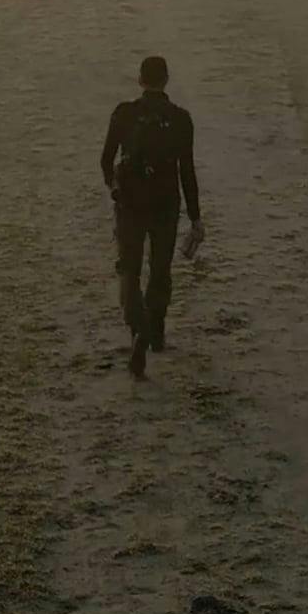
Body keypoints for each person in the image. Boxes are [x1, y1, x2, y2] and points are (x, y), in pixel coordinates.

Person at [101, 55, 204, 378]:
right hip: (165, 202)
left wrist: (115, 187)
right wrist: (196, 217)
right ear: (167, 80)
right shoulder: (181, 119)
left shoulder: (124, 113)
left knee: (129, 270)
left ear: (140, 80)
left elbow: (105, 160)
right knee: (160, 269)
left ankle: (138, 329)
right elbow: (186, 172)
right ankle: (155, 330)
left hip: (130, 203)